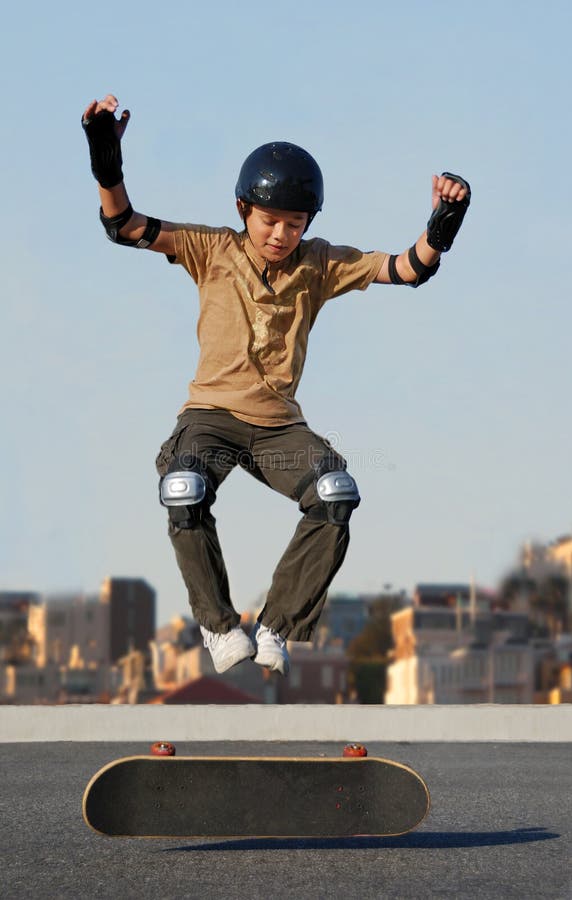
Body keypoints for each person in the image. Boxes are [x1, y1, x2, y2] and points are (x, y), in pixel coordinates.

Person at [82, 94, 470, 677]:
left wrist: (443, 222)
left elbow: (407, 268)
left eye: (294, 224)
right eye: (269, 222)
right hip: (210, 415)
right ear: (243, 209)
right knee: (185, 488)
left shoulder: (320, 263)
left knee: (335, 492)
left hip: (278, 428)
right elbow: (124, 225)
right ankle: (217, 627)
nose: (281, 235)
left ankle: (277, 625)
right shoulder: (208, 248)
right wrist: (106, 160)